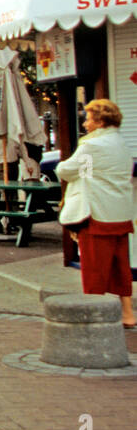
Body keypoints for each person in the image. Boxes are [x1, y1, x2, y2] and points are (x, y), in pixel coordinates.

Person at [58, 99, 135, 327]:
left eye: (88, 119)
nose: (85, 124)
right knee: (121, 267)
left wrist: (72, 169)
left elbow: (67, 170)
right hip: (120, 214)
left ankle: (94, 315)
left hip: (95, 214)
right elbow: (89, 171)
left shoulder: (92, 146)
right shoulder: (121, 143)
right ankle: (128, 313)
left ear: (100, 121)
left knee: (94, 268)